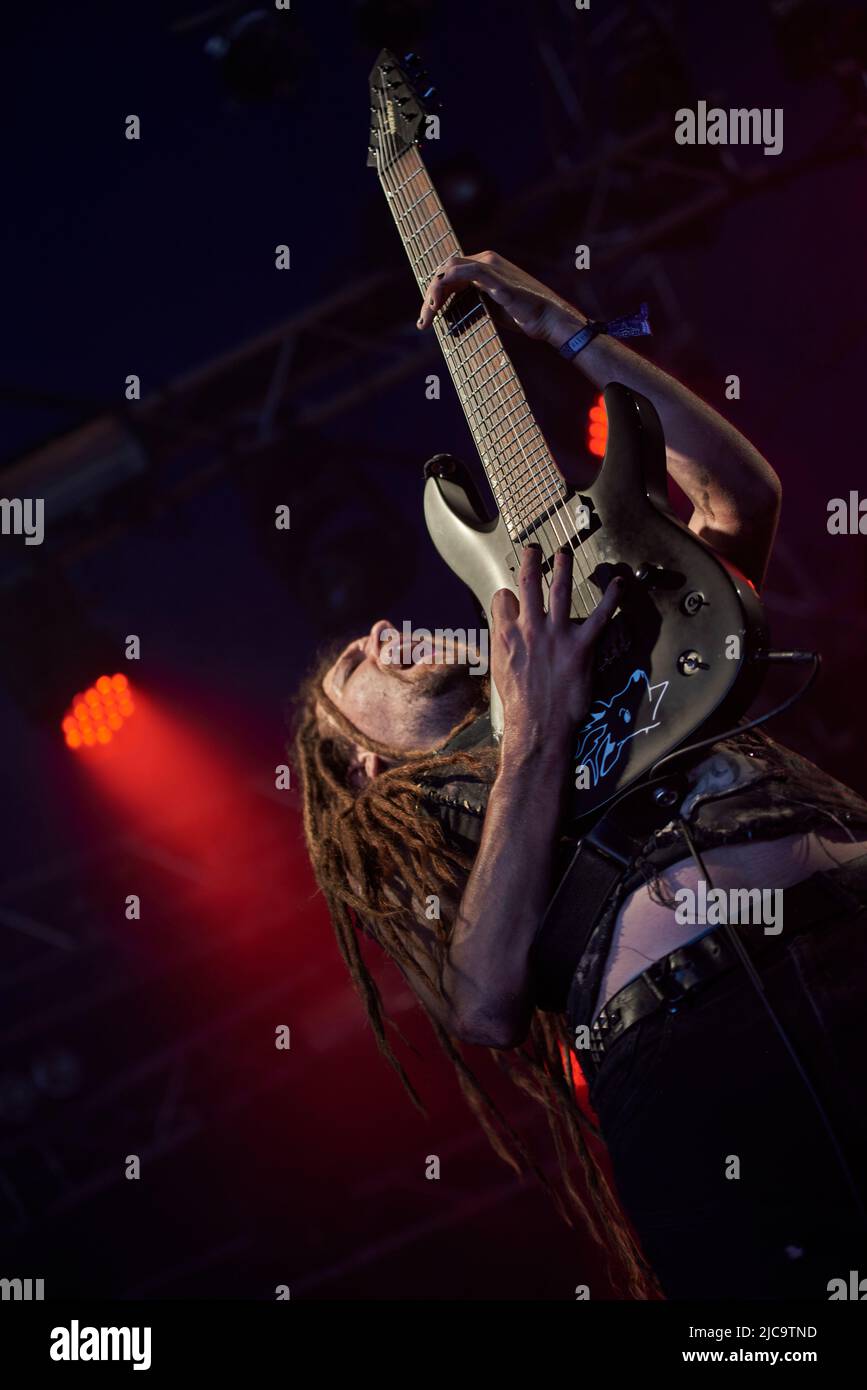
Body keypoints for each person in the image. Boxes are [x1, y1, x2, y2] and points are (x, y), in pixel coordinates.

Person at [293, 252, 867, 1300]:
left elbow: (741, 494)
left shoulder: (602, 641)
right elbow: (482, 998)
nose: (379, 631)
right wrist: (538, 735)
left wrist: (562, 325)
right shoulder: (439, 834)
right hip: (701, 1060)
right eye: (350, 665)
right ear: (367, 768)